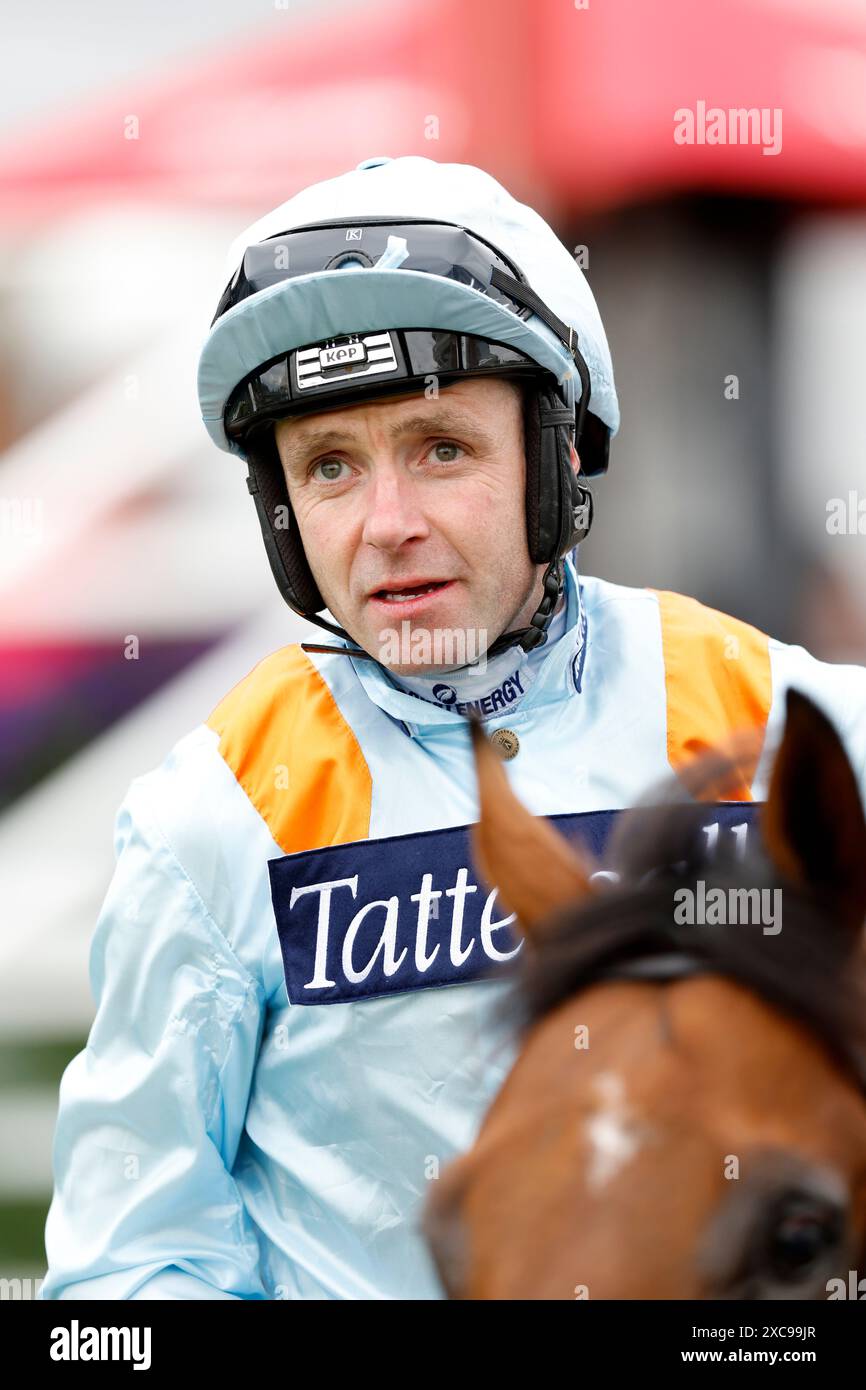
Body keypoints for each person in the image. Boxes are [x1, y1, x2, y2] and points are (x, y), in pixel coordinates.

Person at [41, 155, 866, 1300]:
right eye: (330, 466)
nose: (385, 525)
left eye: (440, 448)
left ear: (557, 453)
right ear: (284, 515)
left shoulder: (795, 729)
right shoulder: (216, 816)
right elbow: (124, 1272)